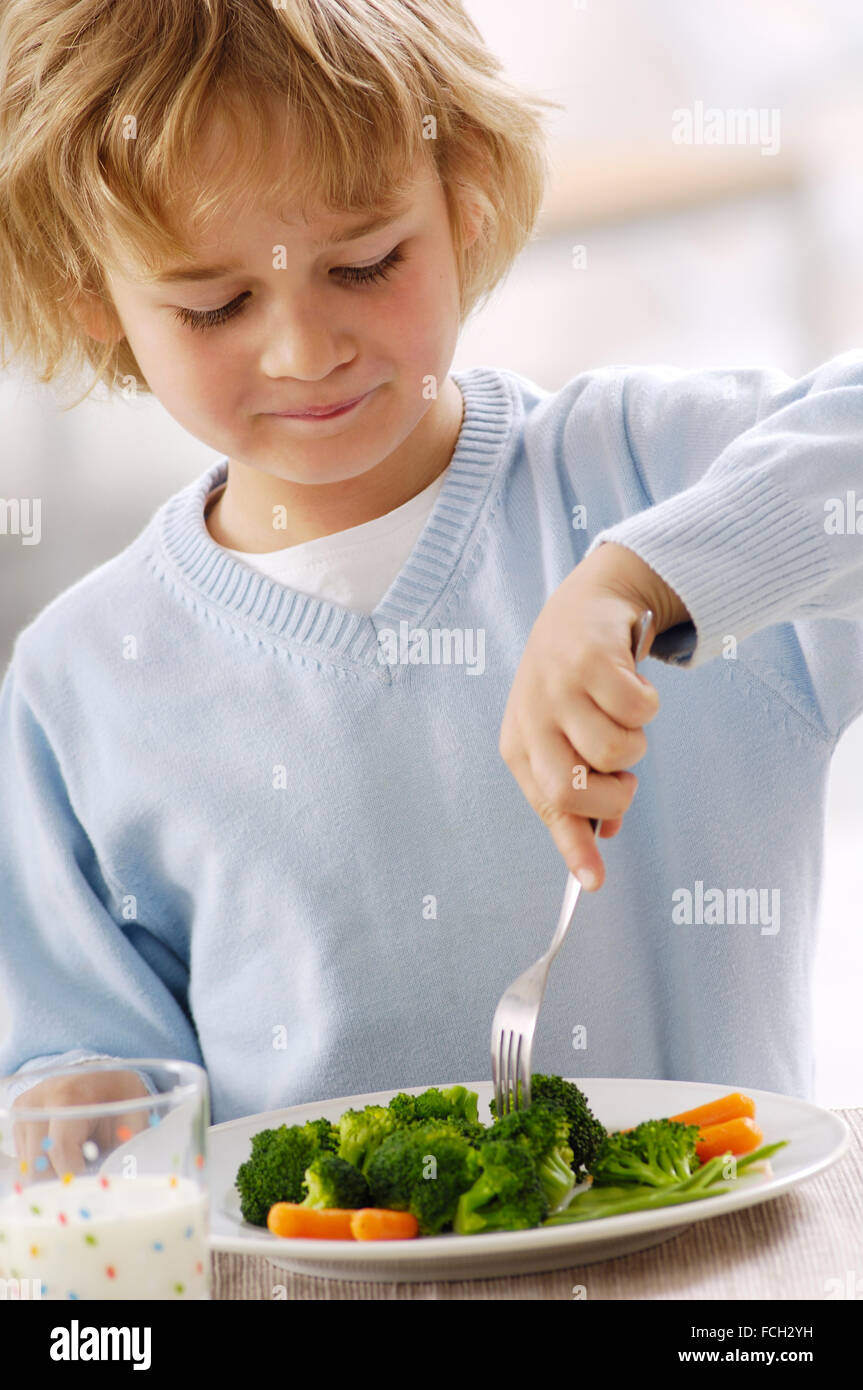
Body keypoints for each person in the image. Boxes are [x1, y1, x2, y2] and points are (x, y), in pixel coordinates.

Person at [1, 1, 861, 1175]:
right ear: (92, 290)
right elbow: (82, 1057)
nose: (305, 350)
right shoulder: (79, 680)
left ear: (460, 203)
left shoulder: (651, 474)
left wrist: (646, 572)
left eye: (365, 264)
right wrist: (78, 1101)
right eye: (214, 304)